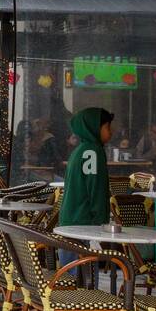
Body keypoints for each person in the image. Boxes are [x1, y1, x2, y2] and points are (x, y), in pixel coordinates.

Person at [57, 107, 115, 266]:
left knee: (70, 276)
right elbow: (96, 190)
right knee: (85, 280)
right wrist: (99, 223)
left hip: (71, 220)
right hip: (85, 222)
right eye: (107, 127)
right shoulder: (93, 152)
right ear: (94, 128)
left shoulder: (80, 150)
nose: (111, 132)